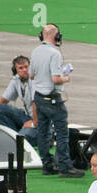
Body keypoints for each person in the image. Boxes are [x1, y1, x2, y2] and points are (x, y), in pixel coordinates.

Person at [29, 24, 82, 177]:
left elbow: (31, 75)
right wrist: (66, 77)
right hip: (52, 99)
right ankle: (65, 167)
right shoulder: (55, 54)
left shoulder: (36, 51)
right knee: (62, 133)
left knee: (43, 132)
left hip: (39, 97)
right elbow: (56, 79)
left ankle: (47, 164)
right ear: (56, 36)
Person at [0, 56, 38, 146]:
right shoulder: (16, 80)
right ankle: (14, 136)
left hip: (40, 122)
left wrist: (34, 123)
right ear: (15, 70)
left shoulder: (34, 80)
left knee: (21, 138)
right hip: (29, 118)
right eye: (21, 68)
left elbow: (35, 103)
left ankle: (18, 138)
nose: (24, 70)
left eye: (26, 67)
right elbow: (4, 99)